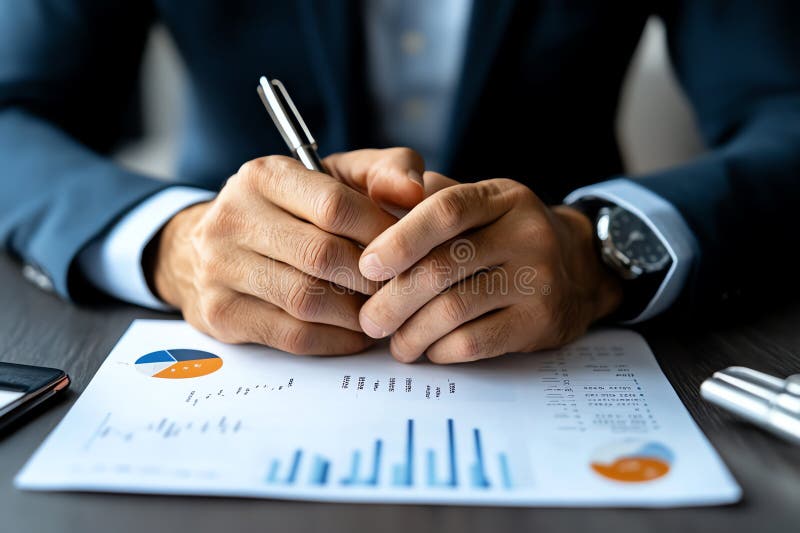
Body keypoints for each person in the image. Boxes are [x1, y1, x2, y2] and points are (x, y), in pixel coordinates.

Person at [1, 1, 798, 363]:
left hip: (569, 324)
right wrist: (176, 243)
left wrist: (599, 250)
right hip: (235, 327)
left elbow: (785, 110)